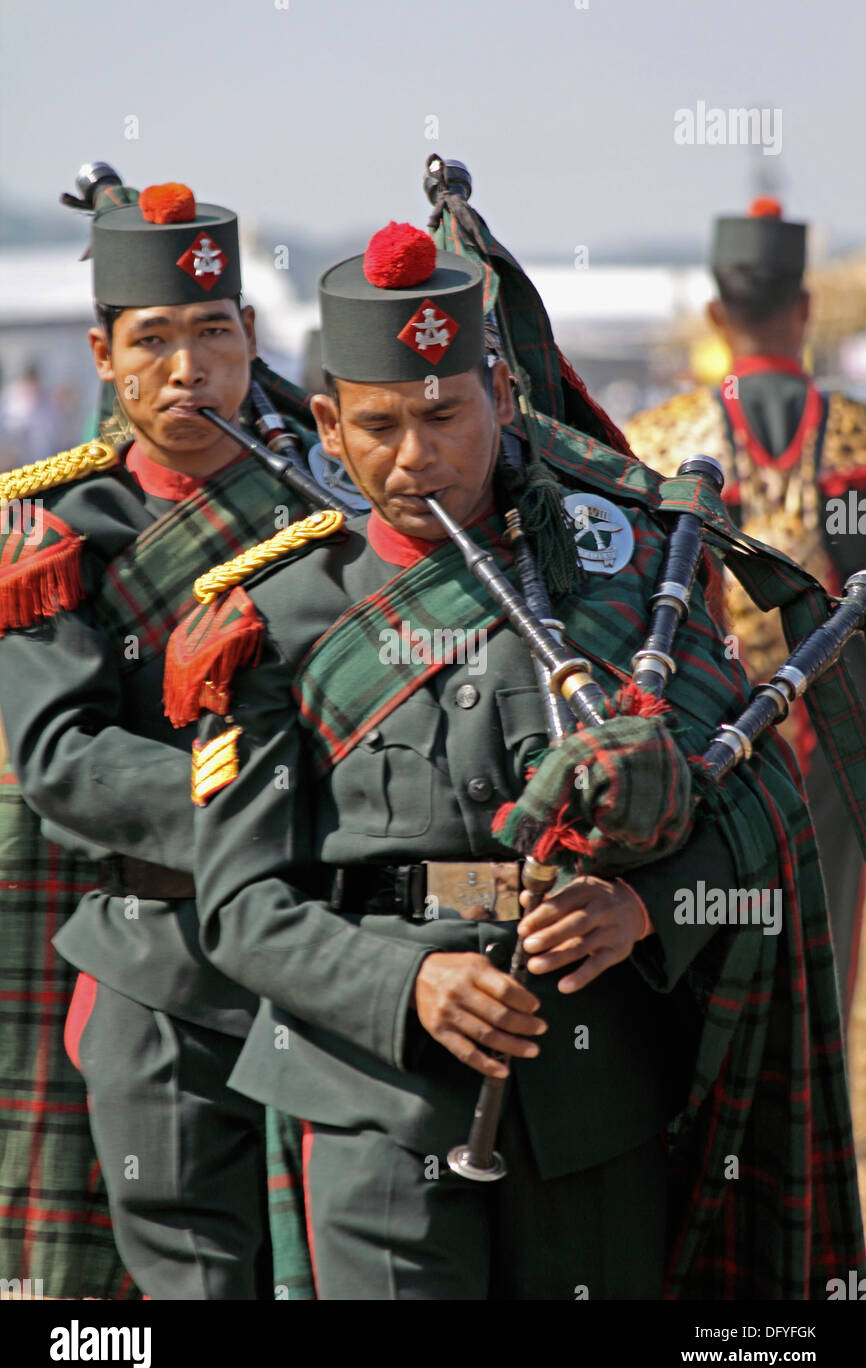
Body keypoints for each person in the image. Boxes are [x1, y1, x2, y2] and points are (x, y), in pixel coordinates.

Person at [184, 221, 865, 1299]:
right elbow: (236, 904)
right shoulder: (268, 613)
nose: (417, 455)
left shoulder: (625, 566)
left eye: (445, 414)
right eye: (379, 425)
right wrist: (406, 980)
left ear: (501, 391)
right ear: (327, 423)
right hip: (374, 1103)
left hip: (594, 1100)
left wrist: (645, 911)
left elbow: (756, 816)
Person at [0, 175, 315, 1299]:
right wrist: (269, 811)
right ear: (102, 355)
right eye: (156, 339)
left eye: (215, 333)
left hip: (335, 967)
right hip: (165, 969)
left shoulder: (336, 513)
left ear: (248, 342)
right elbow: (63, 761)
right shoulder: (58, 537)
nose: (189, 369)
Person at [627, 198, 866, 1014]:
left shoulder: (651, 445)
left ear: (715, 313)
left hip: (700, 743)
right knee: (828, 965)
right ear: (803, 309)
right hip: (837, 744)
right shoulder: (861, 440)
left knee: (715, 973)